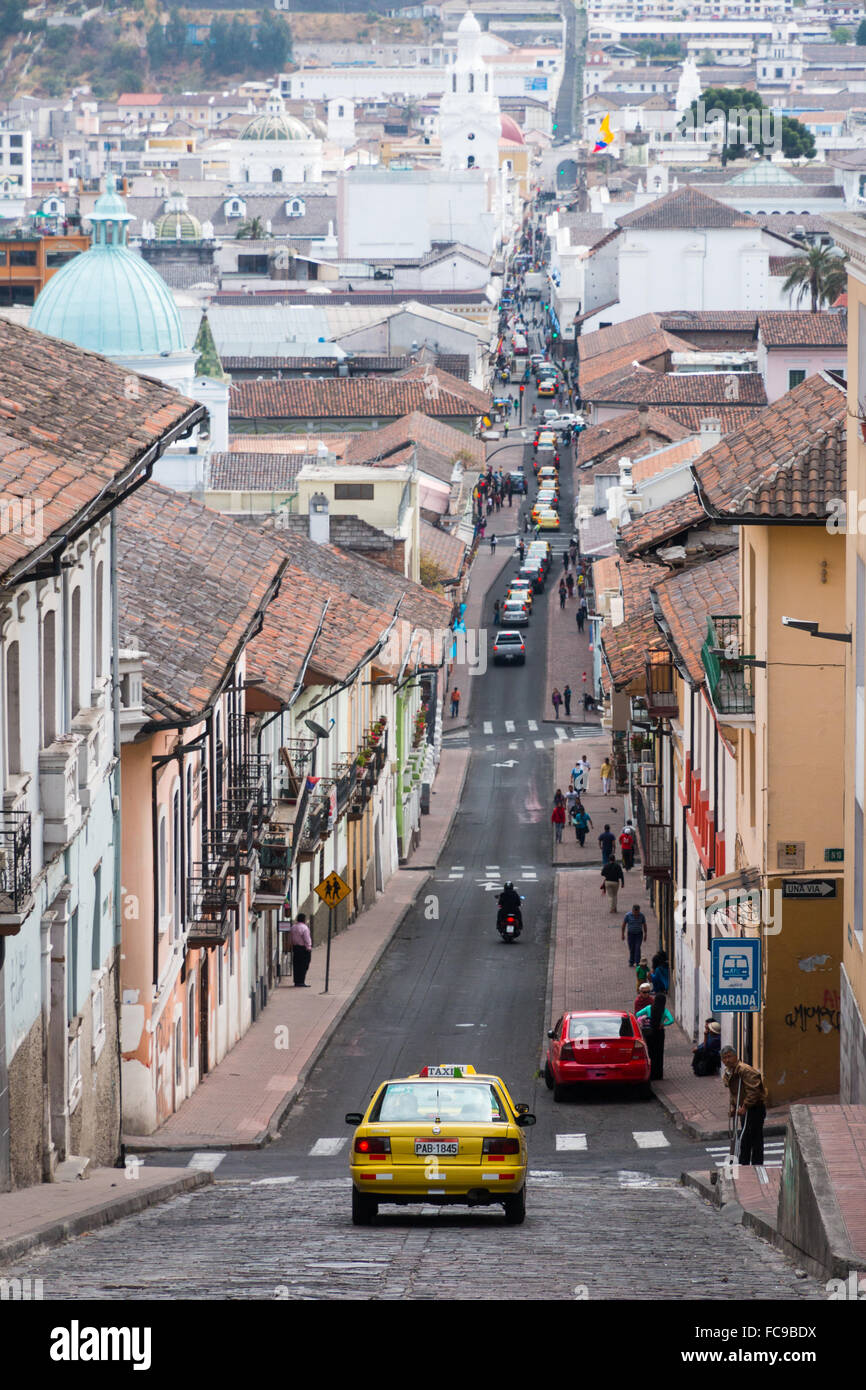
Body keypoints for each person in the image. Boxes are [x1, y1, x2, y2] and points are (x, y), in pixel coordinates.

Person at [721, 1047, 768, 1165]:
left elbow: (754, 1090)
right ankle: (745, 1164)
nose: (727, 1060)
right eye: (724, 1058)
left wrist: (745, 1106)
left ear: (736, 1056)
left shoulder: (744, 1070)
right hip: (744, 1109)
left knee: (754, 1137)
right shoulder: (729, 1072)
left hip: (755, 1107)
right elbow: (734, 1092)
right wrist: (734, 1108)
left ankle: (756, 1164)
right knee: (746, 1137)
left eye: (729, 1056)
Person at [638, 991, 671, 1080]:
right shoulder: (665, 1010)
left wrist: (645, 1020)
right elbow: (671, 1020)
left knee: (651, 1052)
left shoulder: (649, 1008)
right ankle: (659, 1074)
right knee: (659, 1053)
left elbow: (638, 1014)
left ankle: (651, 1074)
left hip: (650, 1032)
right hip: (660, 1033)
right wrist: (664, 1024)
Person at [289, 912, 312, 987]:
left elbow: (291, 938)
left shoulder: (293, 927)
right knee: (304, 965)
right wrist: (309, 947)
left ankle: (296, 981)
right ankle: (301, 981)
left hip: (295, 948)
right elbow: (307, 939)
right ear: (304, 920)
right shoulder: (304, 928)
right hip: (303, 948)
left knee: (296, 965)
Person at [622, 903, 648, 967]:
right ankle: (631, 961)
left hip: (639, 934)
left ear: (639, 911)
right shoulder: (627, 915)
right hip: (631, 934)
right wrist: (622, 934)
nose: (636, 914)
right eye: (635, 913)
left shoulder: (642, 916)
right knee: (632, 948)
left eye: (637, 912)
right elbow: (624, 925)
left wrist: (645, 934)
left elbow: (644, 925)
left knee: (637, 948)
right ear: (632, 911)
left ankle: (637, 962)